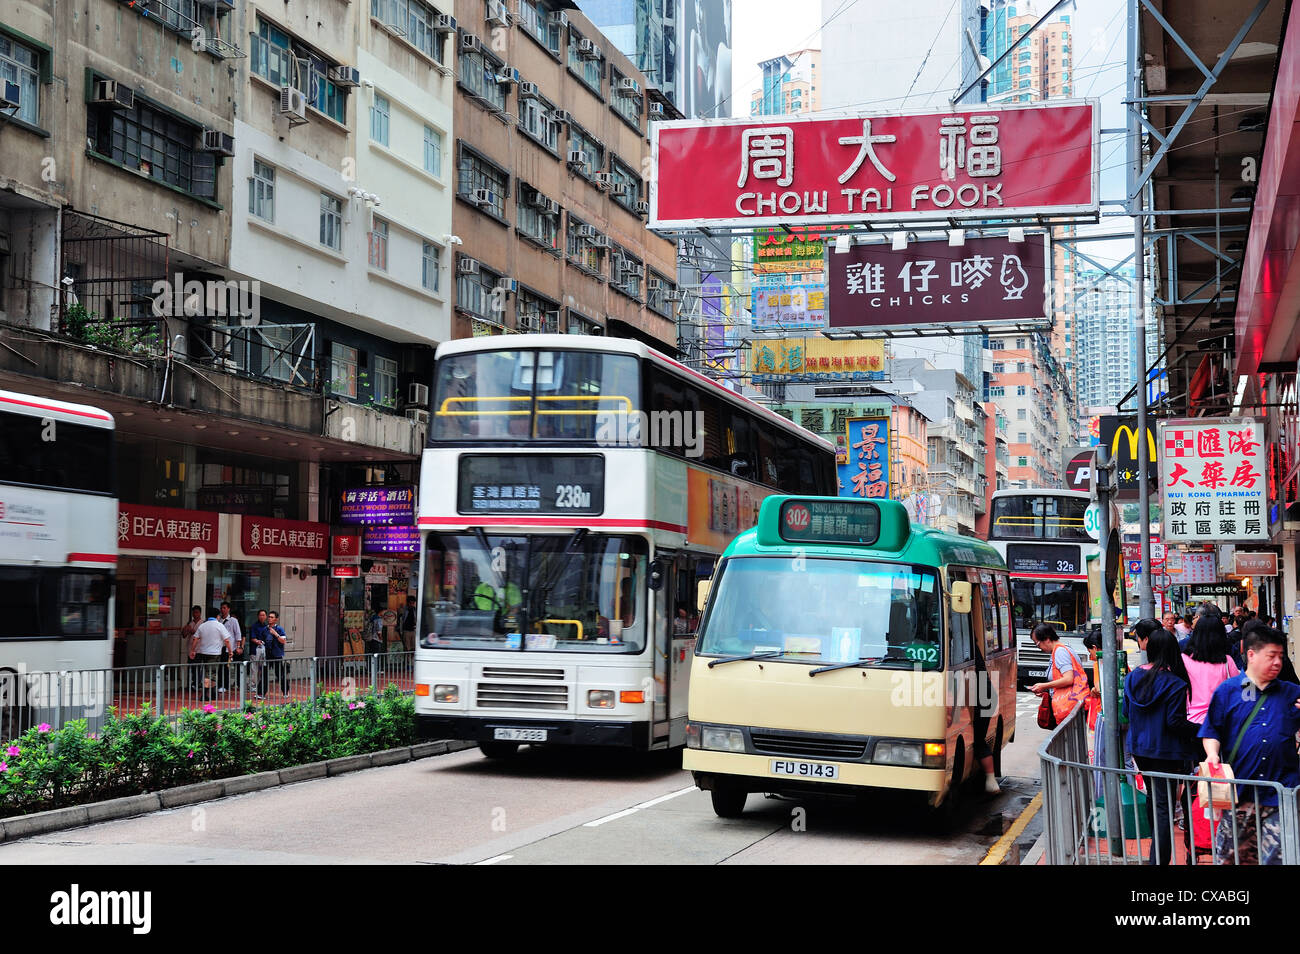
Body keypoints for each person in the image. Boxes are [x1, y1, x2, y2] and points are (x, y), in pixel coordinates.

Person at [1200, 627, 1300, 865]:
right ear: (1251, 655)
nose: (1277, 662)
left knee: (1280, 859)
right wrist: (1212, 754)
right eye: (1271, 656)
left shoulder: (1291, 693)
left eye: (1280, 656)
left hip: (1282, 793)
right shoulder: (1228, 691)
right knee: (1233, 858)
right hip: (1240, 793)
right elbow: (1212, 729)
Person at [1124, 625, 1199, 865]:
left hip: (1139, 749)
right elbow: (1175, 722)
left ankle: (1156, 856)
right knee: (1164, 807)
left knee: (1155, 800)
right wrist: (1201, 730)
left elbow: (1126, 712)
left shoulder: (1133, 676)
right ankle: (1159, 860)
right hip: (1166, 751)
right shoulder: (1175, 683)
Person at [1028, 623, 1090, 724]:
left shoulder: (1060, 652)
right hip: (1071, 706)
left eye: (1037, 643)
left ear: (1047, 639)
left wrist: (1044, 686)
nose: (1038, 647)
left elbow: (1068, 679)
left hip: (1069, 707)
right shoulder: (1061, 649)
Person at [1183, 615, 1238, 725]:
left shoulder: (1183, 659)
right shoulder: (1227, 661)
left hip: (1190, 721)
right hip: (1220, 721)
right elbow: (1242, 687)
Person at [189, 612, 231, 702]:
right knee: (211, 674)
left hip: (203, 653)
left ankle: (212, 693)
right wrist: (230, 651)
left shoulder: (202, 626)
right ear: (217, 616)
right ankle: (205, 694)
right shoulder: (219, 625)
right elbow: (227, 640)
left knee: (209, 674)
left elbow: (195, 638)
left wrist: (192, 650)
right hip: (215, 653)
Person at [217, 601, 242, 694]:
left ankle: (225, 685)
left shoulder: (233, 620)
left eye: (224, 608)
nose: (222, 610)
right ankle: (219, 684)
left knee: (226, 667)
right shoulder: (218, 620)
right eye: (221, 608)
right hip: (220, 647)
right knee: (220, 667)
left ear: (228, 609)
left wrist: (238, 646)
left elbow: (238, 634)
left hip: (229, 647)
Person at [266, 610, 290, 698]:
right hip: (267, 655)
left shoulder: (279, 629)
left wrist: (275, 634)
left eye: (272, 617)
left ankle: (285, 692)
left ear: (276, 619)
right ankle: (261, 693)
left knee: (280, 674)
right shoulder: (265, 629)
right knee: (264, 674)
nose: (269, 619)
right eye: (269, 617)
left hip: (277, 655)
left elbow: (283, 641)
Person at [248, 609, 271, 699]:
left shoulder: (267, 627)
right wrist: (258, 641)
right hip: (255, 651)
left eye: (264, 615)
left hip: (264, 652)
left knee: (262, 670)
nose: (262, 617)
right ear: (258, 616)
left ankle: (258, 685)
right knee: (254, 669)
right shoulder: (254, 626)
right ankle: (253, 685)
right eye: (260, 615)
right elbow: (252, 638)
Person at [180, 605, 203, 690]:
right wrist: (186, 630)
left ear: (200, 613)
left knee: (198, 667)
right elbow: (184, 635)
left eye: (196, 612)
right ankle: (193, 683)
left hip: (199, 649)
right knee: (192, 667)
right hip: (190, 649)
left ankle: (197, 683)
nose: (195, 614)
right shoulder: (190, 623)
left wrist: (194, 631)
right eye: (193, 612)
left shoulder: (202, 623)